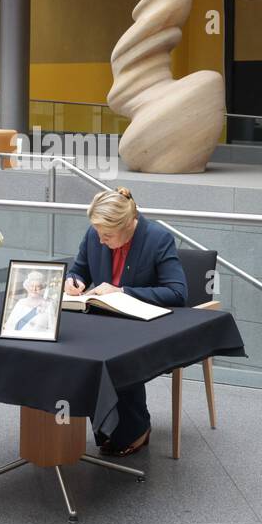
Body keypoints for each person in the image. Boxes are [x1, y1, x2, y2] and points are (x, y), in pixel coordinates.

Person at [65, 186, 186, 456]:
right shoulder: (95, 235)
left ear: (128, 225)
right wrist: (74, 282)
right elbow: (78, 270)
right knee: (77, 351)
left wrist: (122, 291)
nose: (100, 240)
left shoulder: (157, 238)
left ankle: (136, 428)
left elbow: (178, 292)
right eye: (98, 233)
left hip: (144, 322)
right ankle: (106, 428)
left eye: (107, 235)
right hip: (104, 317)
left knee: (117, 352)